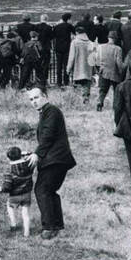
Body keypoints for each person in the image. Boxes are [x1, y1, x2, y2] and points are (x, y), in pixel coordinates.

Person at [27, 86, 75, 239]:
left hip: (55, 159)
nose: (34, 102)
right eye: (31, 99)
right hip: (58, 158)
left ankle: (49, 228)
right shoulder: (47, 112)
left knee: (42, 190)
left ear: (45, 96)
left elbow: (48, 135)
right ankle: (57, 226)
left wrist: (37, 154)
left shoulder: (51, 111)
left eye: (36, 98)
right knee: (50, 191)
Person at [1, 145, 35, 237]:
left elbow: (7, 187)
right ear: (21, 155)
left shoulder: (9, 170)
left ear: (8, 158)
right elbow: (32, 154)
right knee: (26, 213)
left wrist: (1, 189)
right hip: (26, 194)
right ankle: (26, 232)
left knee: (10, 207)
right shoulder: (29, 164)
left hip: (14, 196)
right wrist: (26, 153)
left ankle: (13, 223)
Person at [66, 27, 94, 101]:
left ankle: (77, 102)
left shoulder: (74, 42)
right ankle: (86, 99)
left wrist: (68, 68)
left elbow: (71, 57)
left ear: (77, 33)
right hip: (88, 69)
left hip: (77, 69)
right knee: (86, 87)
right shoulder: (90, 42)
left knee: (77, 87)